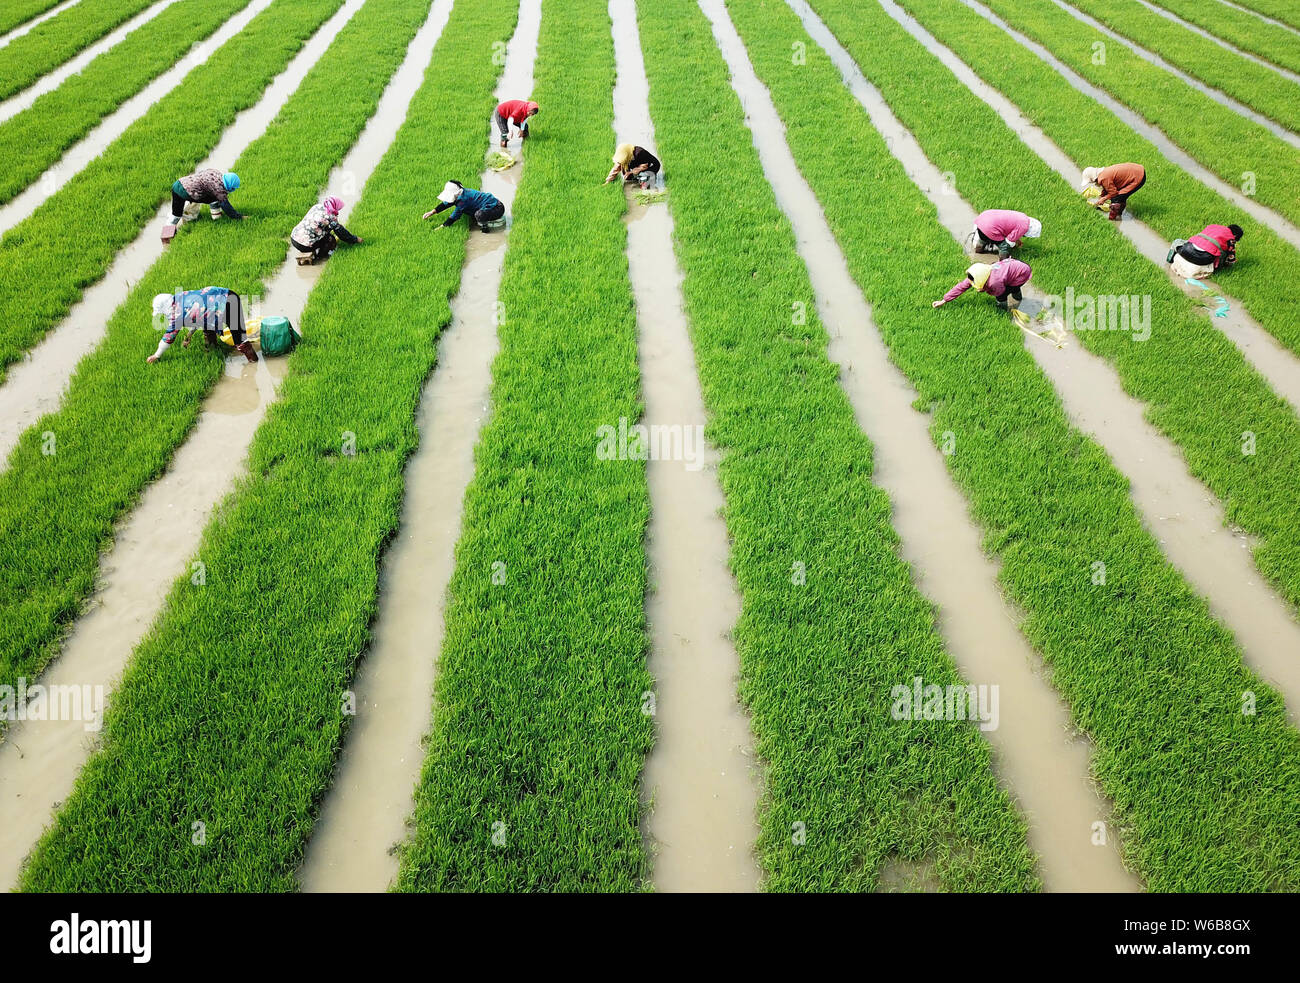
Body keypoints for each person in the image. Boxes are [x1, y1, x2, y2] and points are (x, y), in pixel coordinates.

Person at [148, 287, 256, 363]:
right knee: (207, 325)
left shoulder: (177, 314)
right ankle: (213, 350)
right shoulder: (180, 297)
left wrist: (156, 355)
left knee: (240, 338)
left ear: (165, 308)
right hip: (225, 294)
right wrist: (189, 335)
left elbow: (168, 338)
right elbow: (197, 315)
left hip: (228, 302)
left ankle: (254, 362)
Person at [164, 169, 243, 241]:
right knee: (216, 198)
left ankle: (166, 236)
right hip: (186, 192)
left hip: (178, 184)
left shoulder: (216, 173)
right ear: (229, 186)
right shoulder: (218, 188)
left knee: (176, 213)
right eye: (233, 188)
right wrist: (238, 217)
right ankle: (216, 216)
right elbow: (226, 206)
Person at [933, 258, 1032, 311]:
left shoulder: (994, 282)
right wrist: (944, 300)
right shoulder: (979, 273)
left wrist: (985, 290)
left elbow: (999, 292)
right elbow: (961, 287)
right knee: (1010, 287)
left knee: (1002, 295)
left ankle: (1003, 309)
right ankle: (1017, 296)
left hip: (1022, 273)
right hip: (1013, 267)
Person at [291, 196, 362, 264]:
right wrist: (355, 239)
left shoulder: (317, 206)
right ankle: (321, 256)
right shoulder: (330, 217)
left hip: (294, 237)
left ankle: (316, 247)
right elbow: (341, 234)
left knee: (324, 233)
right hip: (304, 246)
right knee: (331, 239)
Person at [422, 180, 504, 232]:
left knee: (478, 215)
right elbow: (445, 204)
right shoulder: (459, 195)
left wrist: (442, 227)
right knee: (471, 212)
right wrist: (431, 212)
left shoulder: (463, 200)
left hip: (497, 208)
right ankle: (480, 219)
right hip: (489, 206)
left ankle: (485, 228)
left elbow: (454, 216)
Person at [1170, 223, 1243, 279]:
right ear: (1235, 236)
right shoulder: (1231, 239)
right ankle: (1216, 270)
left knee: (1177, 241)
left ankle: (1170, 260)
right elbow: (1230, 261)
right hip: (1204, 259)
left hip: (1186, 250)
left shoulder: (1213, 226)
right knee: (1223, 253)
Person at [1080, 163, 1145, 221]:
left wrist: (1103, 199)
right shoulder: (1103, 174)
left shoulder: (1104, 178)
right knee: (1121, 196)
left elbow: (1113, 193)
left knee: (1116, 198)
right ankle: (1119, 213)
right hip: (1137, 170)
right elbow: (1107, 188)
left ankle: (1112, 220)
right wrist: (1102, 196)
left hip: (1138, 177)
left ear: (1093, 178)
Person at [969, 209, 1041, 259]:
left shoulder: (1023, 217)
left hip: (982, 219)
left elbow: (1008, 227)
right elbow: (1009, 241)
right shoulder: (1024, 227)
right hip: (990, 228)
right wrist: (1013, 245)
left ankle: (978, 250)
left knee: (983, 238)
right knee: (1005, 246)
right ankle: (1003, 262)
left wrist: (1017, 239)